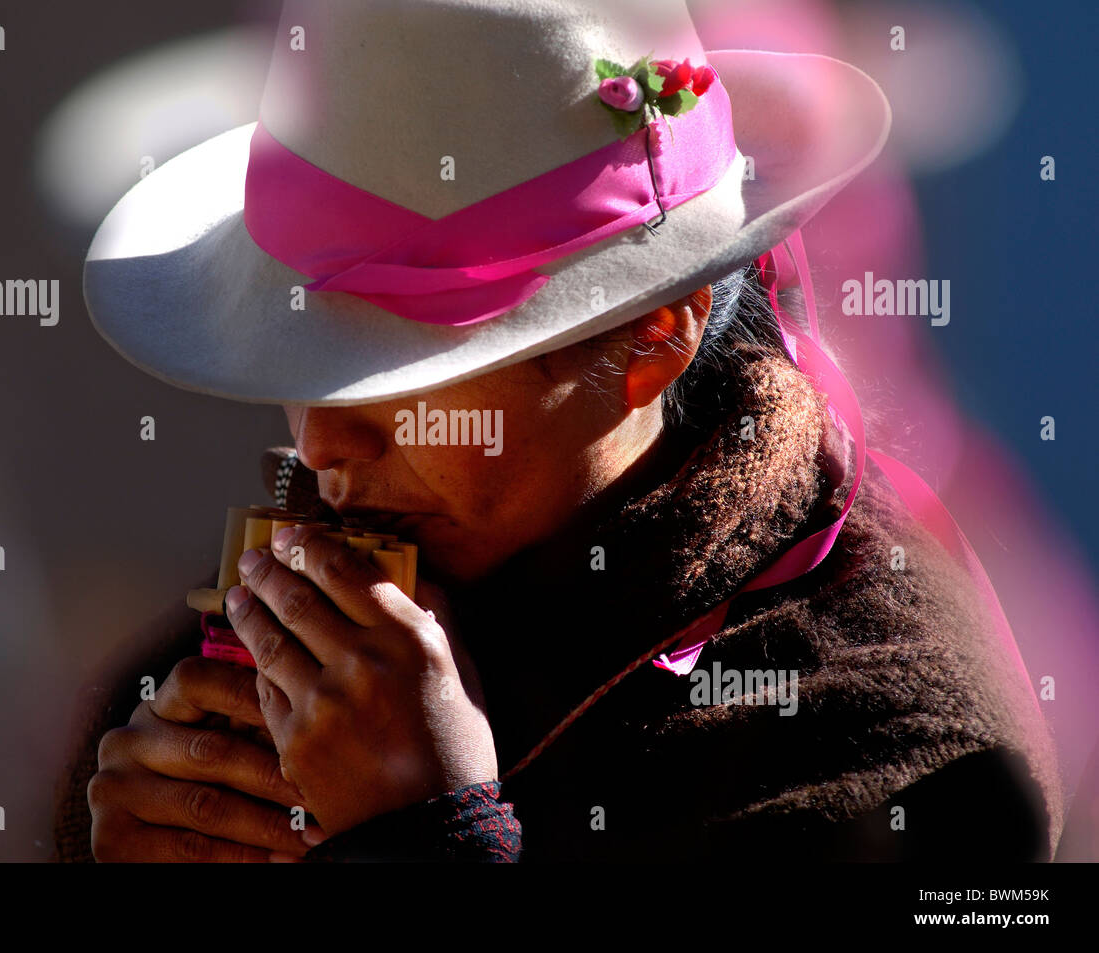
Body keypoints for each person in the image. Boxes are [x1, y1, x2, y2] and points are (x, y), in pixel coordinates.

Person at [54, 0, 1063, 861]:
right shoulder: (240, 656)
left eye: (406, 381)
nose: (321, 450)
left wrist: (425, 833)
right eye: (297, 366)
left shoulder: (901, 754)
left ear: (650, 340)